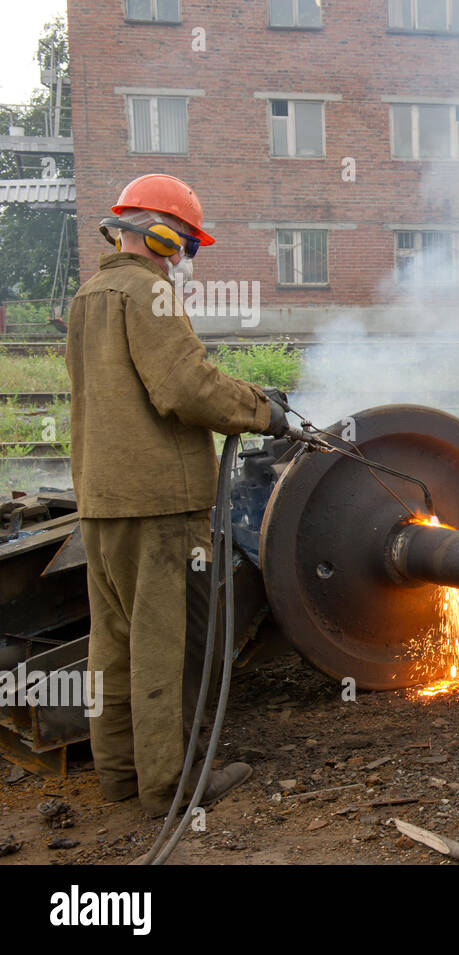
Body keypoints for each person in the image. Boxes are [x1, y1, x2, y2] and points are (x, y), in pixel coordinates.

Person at [65, 173, 288, 817]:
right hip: (158, 505)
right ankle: (169, 786)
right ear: (162, 236)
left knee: (113, 645)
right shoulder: (149, 293)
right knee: (163, 647)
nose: (186, 262)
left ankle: (120, 776)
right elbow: (186, 387)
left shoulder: (89, 294)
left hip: (102, 502)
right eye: (187, 248)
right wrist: (262, 412)